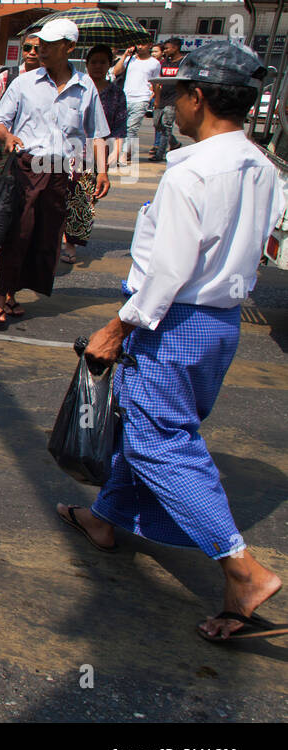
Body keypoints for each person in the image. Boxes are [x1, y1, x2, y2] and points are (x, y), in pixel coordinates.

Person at [60, 41, 287, 643]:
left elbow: (169, 270)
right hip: (221, 324)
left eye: (174, 92)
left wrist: (117, 327)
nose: (167, 104)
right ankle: (103, 519)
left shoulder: (193, 171)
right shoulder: (261, 166)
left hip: (175, 321)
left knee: (162, 442)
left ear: (199, 97)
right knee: (149, 429)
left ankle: (241, 569)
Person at [0, 18, 108, 328]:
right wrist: (7, 137)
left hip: (61, 173)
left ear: (69, 48)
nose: (41, 49)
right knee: (19, 232)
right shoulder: (23, 83)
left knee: (45, 238)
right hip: (27, 167)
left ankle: (14, 292)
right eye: (39, 44)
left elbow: (96, 134)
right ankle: (0, 296)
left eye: (50, 45)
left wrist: (102, 171)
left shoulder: (85, 87)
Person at [0, 31, 42, 275]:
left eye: (37, 48)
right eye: (28, 48)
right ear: (22, 50)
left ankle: (15, 256)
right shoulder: (8, 77)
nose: (32, 53)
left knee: (27, 206)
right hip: (6, 151)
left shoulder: (51, 80)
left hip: (37, 155)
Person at [62, 43, 124, 264]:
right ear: (86, 64)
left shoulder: (116, 94)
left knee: (83, 200)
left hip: (94, 154)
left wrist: (114, 154)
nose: (98, 66)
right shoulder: (77, 88)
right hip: (66, 151)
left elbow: (118, 128)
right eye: (94, 62)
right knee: (59, 196)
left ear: (109, 65)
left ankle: (70, 244)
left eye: (103, 62)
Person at [111, 39, 159, 167]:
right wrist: (125, 56)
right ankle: (125, 152)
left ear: (150, 45)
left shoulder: (154, 63)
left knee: (131, 128)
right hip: (126, 97)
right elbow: (116, 71)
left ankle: (123, 155)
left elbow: (156, 82)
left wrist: (155, 98)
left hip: (142, 98)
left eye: (143, 44)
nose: (140, 46)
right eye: (138, 44)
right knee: (121, 127)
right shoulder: (130, 59)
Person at [149, 37, 185, 162]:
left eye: (167, 48)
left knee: (166, 125)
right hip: (162, 98)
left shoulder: (183, 63)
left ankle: (160, 154)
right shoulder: (163, 63)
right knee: (157, 124)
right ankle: (174, 144)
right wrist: (157, 98)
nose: (165, 51)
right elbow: (158, 82)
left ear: (175, 48)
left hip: (174, 100)